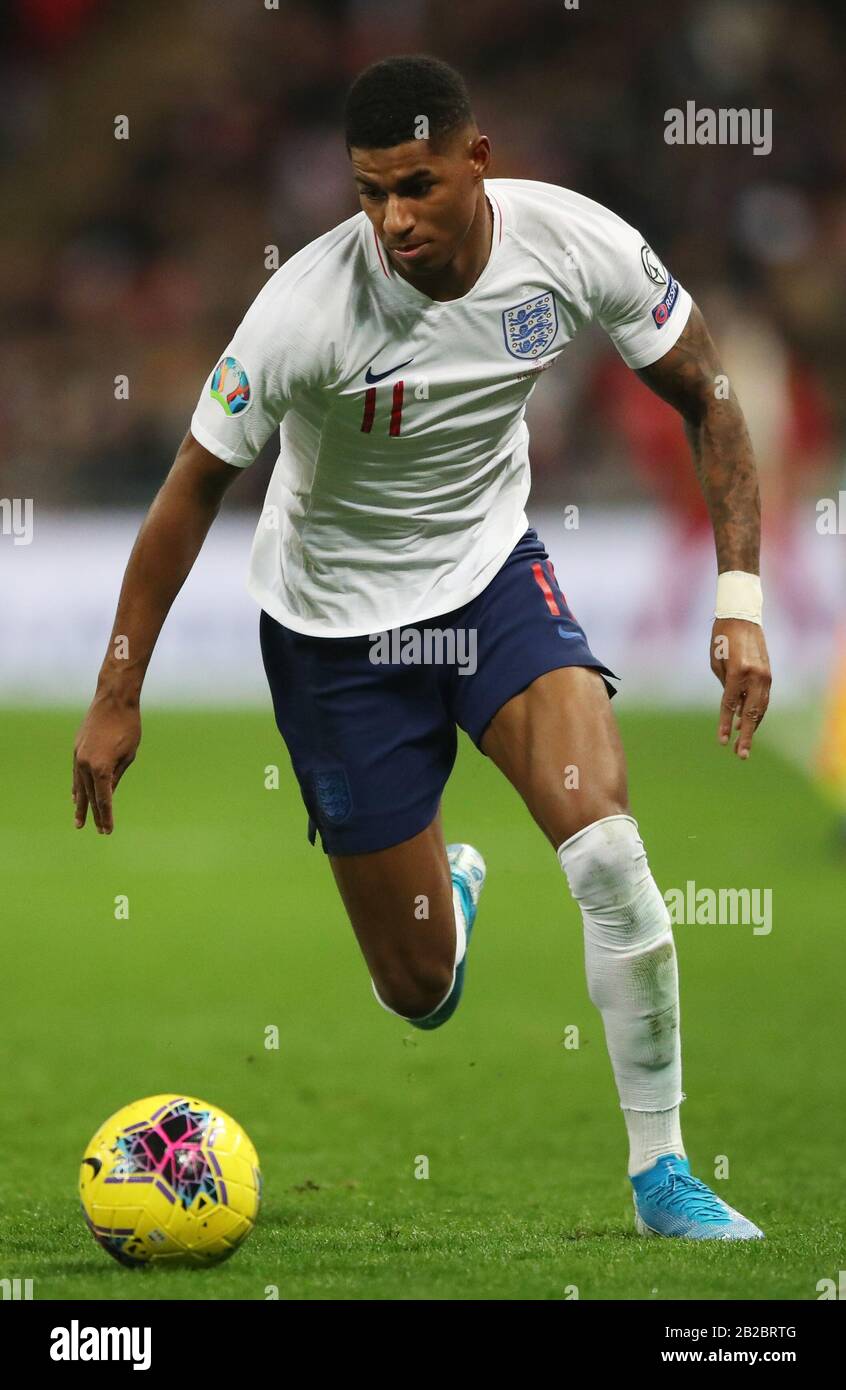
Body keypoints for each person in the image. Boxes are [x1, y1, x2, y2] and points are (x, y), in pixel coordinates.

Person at [73, 55, 772, 1239]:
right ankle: (444, 904)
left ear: (475, 159)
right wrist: (117, 693)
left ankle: (662, 1174)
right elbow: (190, 490)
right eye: (368, 193)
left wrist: (741, 596)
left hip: (490, 580)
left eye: (416, 186)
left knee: (608, 850)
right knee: (418, 992)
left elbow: (709, 391)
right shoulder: (305, 309)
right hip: (334, 632)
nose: (393, 219)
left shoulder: (576, 247)